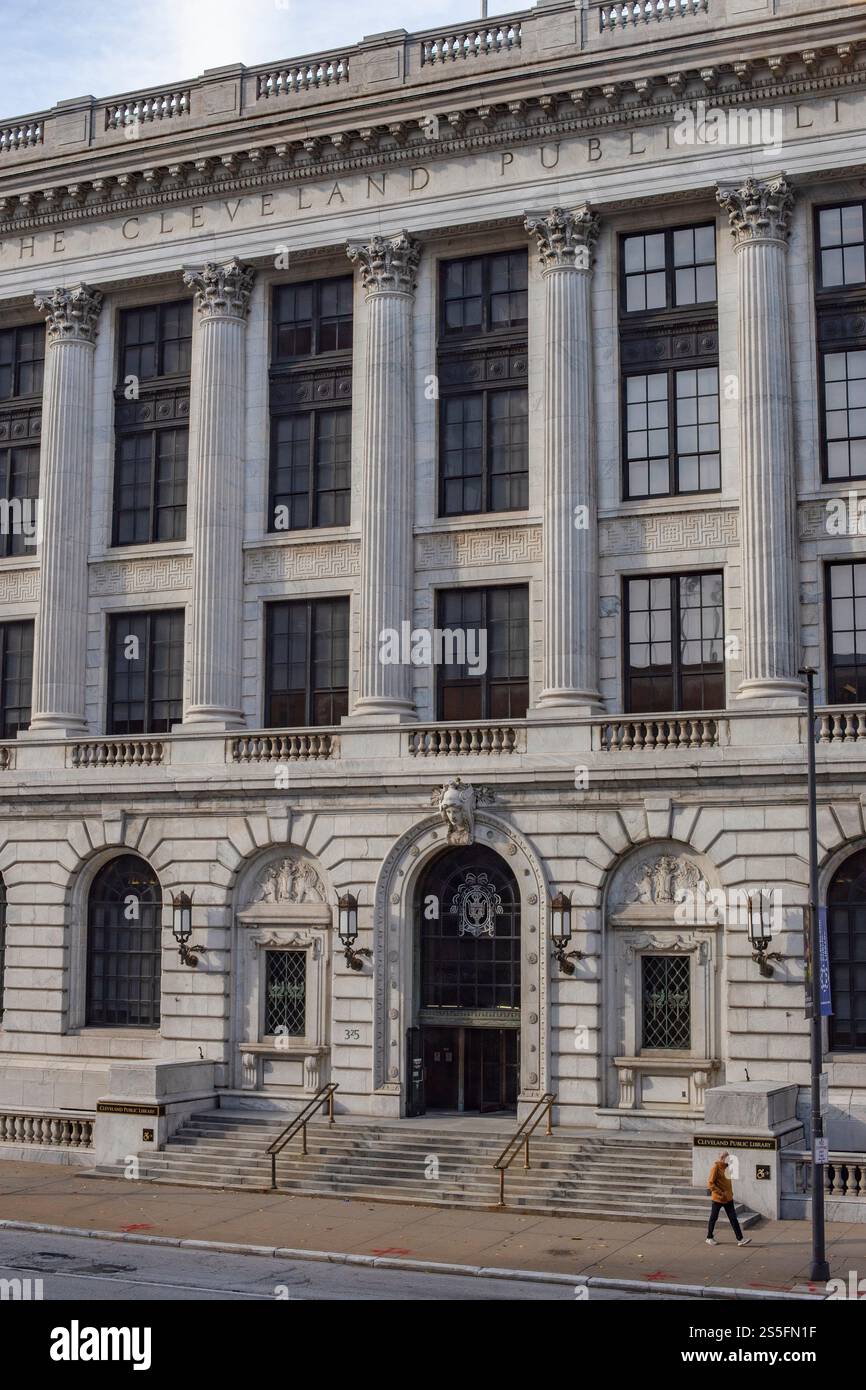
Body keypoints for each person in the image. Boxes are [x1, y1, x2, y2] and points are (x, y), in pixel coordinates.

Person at [706, 1149, 752, 1246]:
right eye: (727, 1157)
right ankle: (709, 1237)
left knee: (733, 1218)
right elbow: (710, 1184)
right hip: (718, 1198)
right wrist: (721, 1192)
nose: (729, 1158)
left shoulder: (727, 1168)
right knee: (714, 1218)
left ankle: (740, 1239)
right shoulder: (715, 1168)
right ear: (722, 1158)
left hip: (728, 1198)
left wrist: (730, 1193)